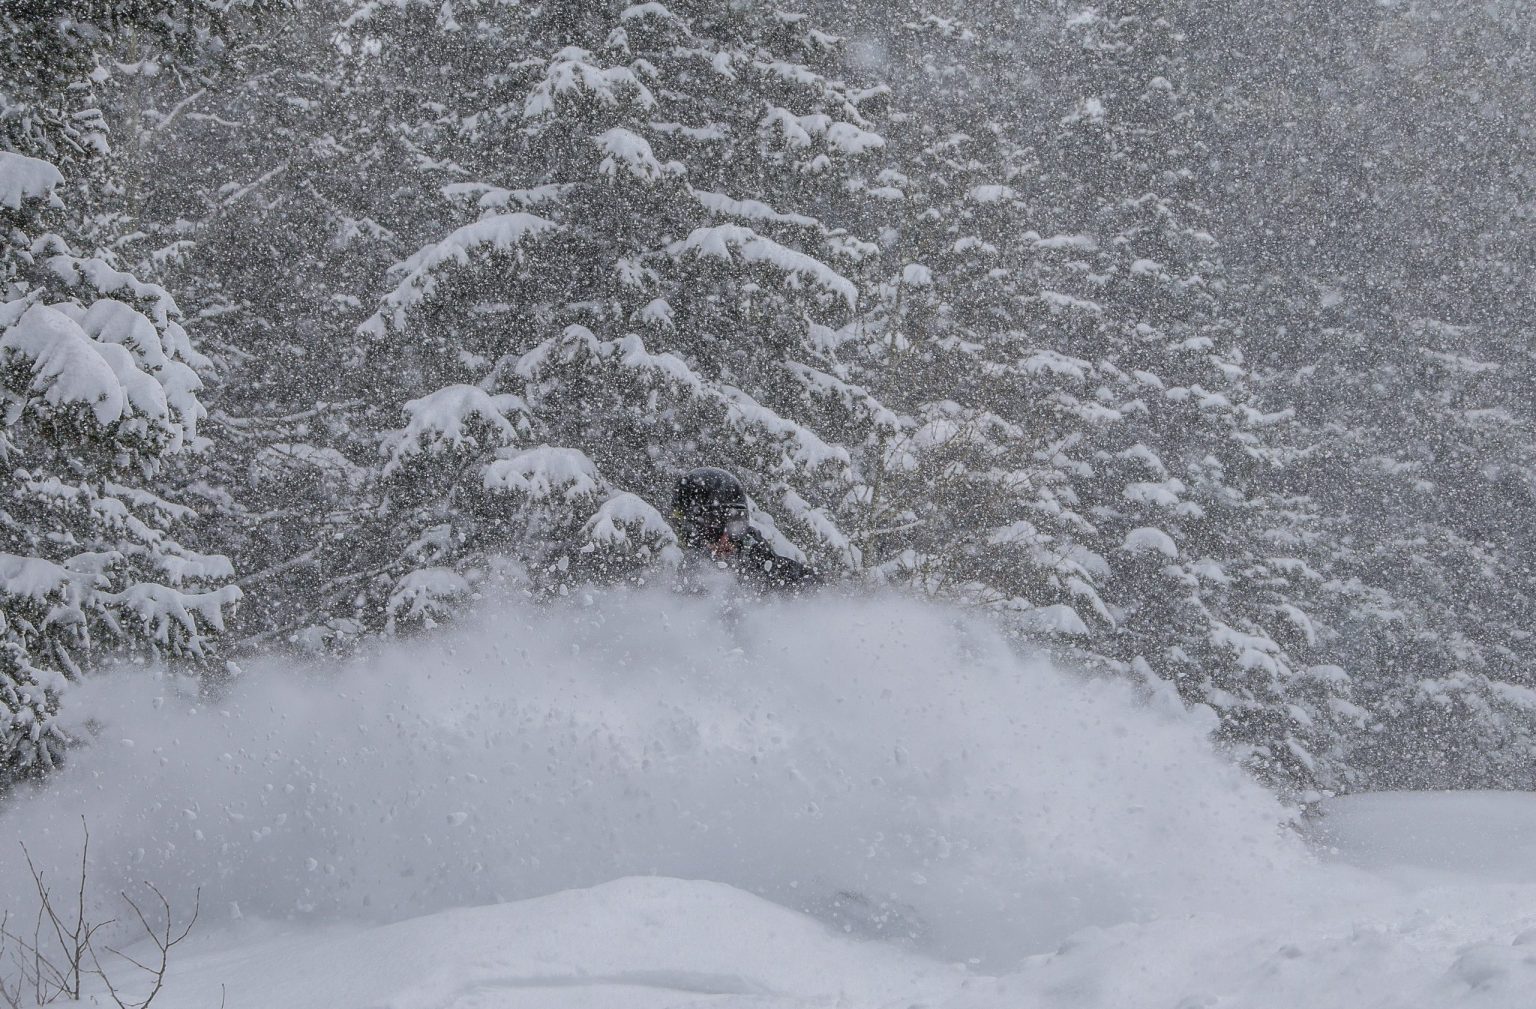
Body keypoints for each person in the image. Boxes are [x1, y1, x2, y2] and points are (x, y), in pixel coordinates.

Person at [671, 467, 819, 592]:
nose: (725, 539)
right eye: (712, 530)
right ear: (688, 530)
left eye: (735, 526)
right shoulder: (666, 580)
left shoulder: (760, 563)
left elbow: (818, 593)